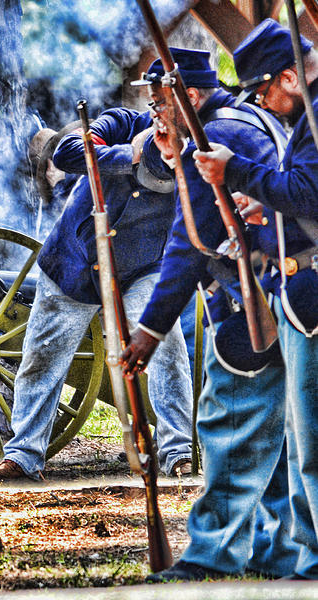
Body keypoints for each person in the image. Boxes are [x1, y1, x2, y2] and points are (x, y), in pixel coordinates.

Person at [119, 46, 298, 582]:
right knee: (276, 435)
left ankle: (211, 555)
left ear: (189, 97)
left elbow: (188, 243)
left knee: (229, 422)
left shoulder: (215, 137)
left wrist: (148, 331)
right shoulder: (242, 121)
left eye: (160, 103)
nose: (155, 115)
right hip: (275, 294)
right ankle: (278, 551)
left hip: (258, 302)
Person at [0, 101, 194, 482]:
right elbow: (68, 150)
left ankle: (178, 453)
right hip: (74, 263)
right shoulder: (122, 123)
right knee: (42, 355)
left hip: (143, 267)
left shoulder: (193, 151)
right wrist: (130, 154)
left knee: (168, 348)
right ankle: (23, 455)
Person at [191, 19, 318, 580]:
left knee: (311, 446)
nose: (264, 102)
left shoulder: (315, 115)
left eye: (265, 88)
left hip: (308, 293)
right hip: (299, 288)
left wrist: (236, 170)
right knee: (303, 443)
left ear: (288, 76)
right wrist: (272, 209)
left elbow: (310, 191)